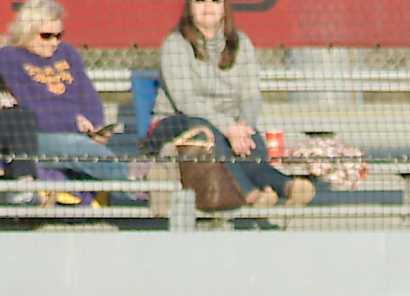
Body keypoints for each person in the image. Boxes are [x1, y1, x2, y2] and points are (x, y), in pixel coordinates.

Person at [151, 0, 311, 209]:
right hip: (176, 123)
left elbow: (251, 97)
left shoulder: (241, 43)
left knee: (249, 148)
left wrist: (243, 127)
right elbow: (185, 100)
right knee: (207, 131)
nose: (208, 7)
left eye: (215, 1)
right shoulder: (175, 43)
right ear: (189, 7)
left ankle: (288, 187)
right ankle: (251, 195)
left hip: (231, 127)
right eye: (200, 1)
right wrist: (228, 127)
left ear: (225, 7)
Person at [0, 3, 136, 185]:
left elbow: (88, 95)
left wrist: (95, 126)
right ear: (26, 31)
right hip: (34, 138)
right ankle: (137, 180)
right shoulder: (9, 58)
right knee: (76, 146)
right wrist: (73, 121)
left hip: (79, 134)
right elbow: (29, 107)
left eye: (58, 35)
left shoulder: (67, 53)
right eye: (46, 36)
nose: (54, 42)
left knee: (86, 146)